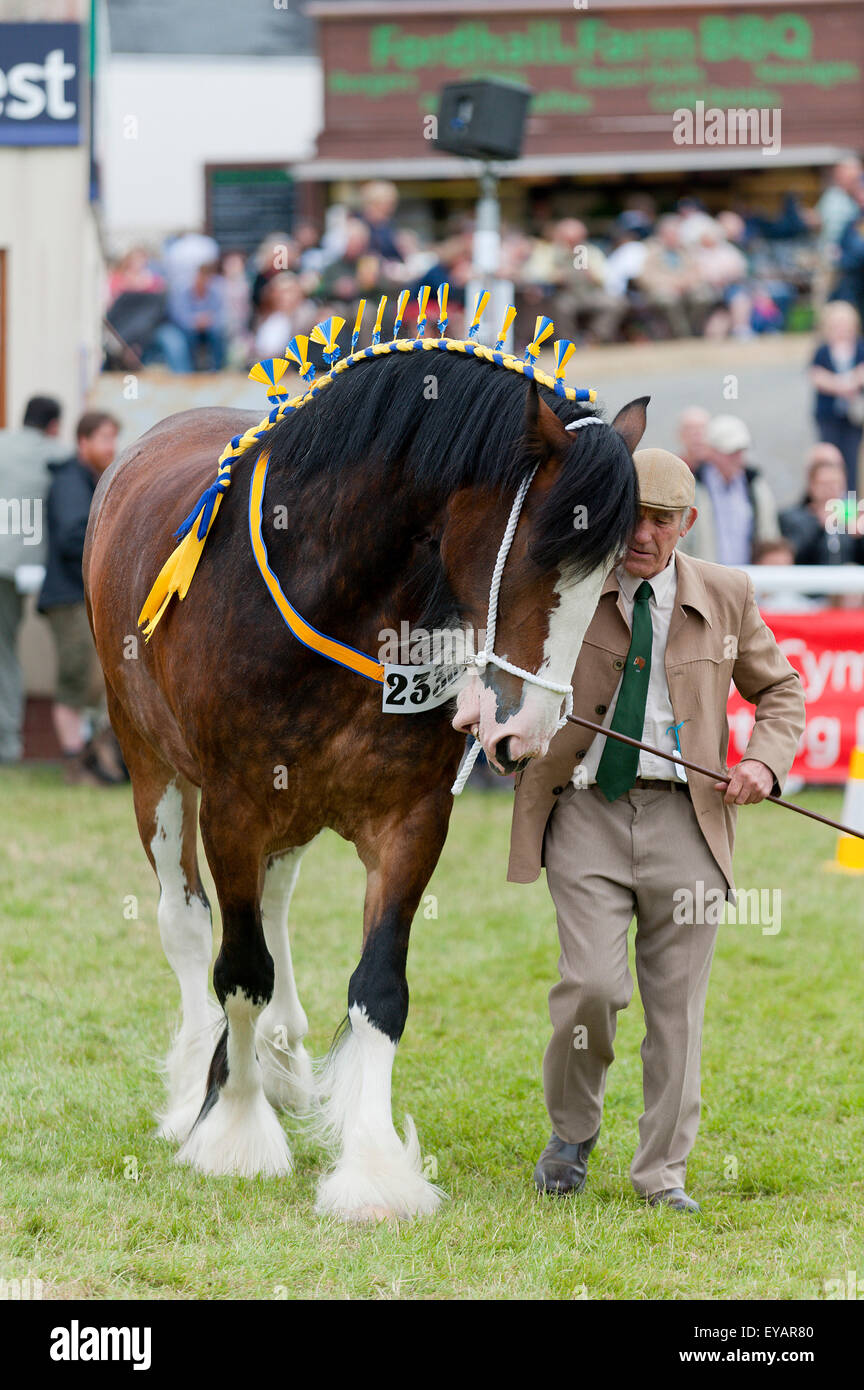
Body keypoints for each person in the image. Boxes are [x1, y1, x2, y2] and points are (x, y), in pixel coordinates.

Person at [508, 449, 805, 1211]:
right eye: (630, 516)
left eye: (660, 521)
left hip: (688, 822)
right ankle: (572, 1134)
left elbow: (781, 690)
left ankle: (661, 1174)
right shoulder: (567, 585)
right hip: (585, 814)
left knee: (676, 1011)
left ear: (688, 525)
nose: (642, 534)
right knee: (592, 989)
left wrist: (765, 765)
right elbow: (510, 669)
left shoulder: (729, 594)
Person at [38, 412, 124, 785]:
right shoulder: (70, 482)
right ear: (82, 442)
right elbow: (75, 537)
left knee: (96, 683)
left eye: (113, 438)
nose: (111, 447)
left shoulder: (89, 478)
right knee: (77, 681)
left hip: (82, 595)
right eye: (104, 438)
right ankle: (76, 765)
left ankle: (96, 762)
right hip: (69, 596)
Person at [0, 396, 62, 763]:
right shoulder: (57, 454)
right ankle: (10, 744)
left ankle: (7, 744)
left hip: (7, 564)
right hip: (33, 565)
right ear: (53, 425)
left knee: (3, 650)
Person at [679, 414, 780, 565]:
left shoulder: (756, 486)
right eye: (730, 452)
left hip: (750, 580)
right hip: (704, 579)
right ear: (711, 451)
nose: (737, 457)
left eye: (741, 450)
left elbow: (769, 535)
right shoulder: (692, 486)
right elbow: (681, 540)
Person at [809, 299, 864, 494]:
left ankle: (847, 515)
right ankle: (828, 510)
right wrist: (844, 384)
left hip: (854, 418)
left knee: (851, 466)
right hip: (828, 417)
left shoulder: (860, 348)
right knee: (828, 461)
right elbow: (816, 376)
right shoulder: (823, 351)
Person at [779, 443, 864, 566]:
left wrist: (859, 535)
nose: (830, 490)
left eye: (835, 483)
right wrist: (819, 525)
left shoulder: (852, 516)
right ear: (811, 486)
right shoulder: (792, 517)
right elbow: (793, 555)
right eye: (824, 484)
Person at [676, 405, 709, 471]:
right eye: (690, 429)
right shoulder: (673, 467)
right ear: (680, 435)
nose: (697, 434)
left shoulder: (721, 468)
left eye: (702, 428)